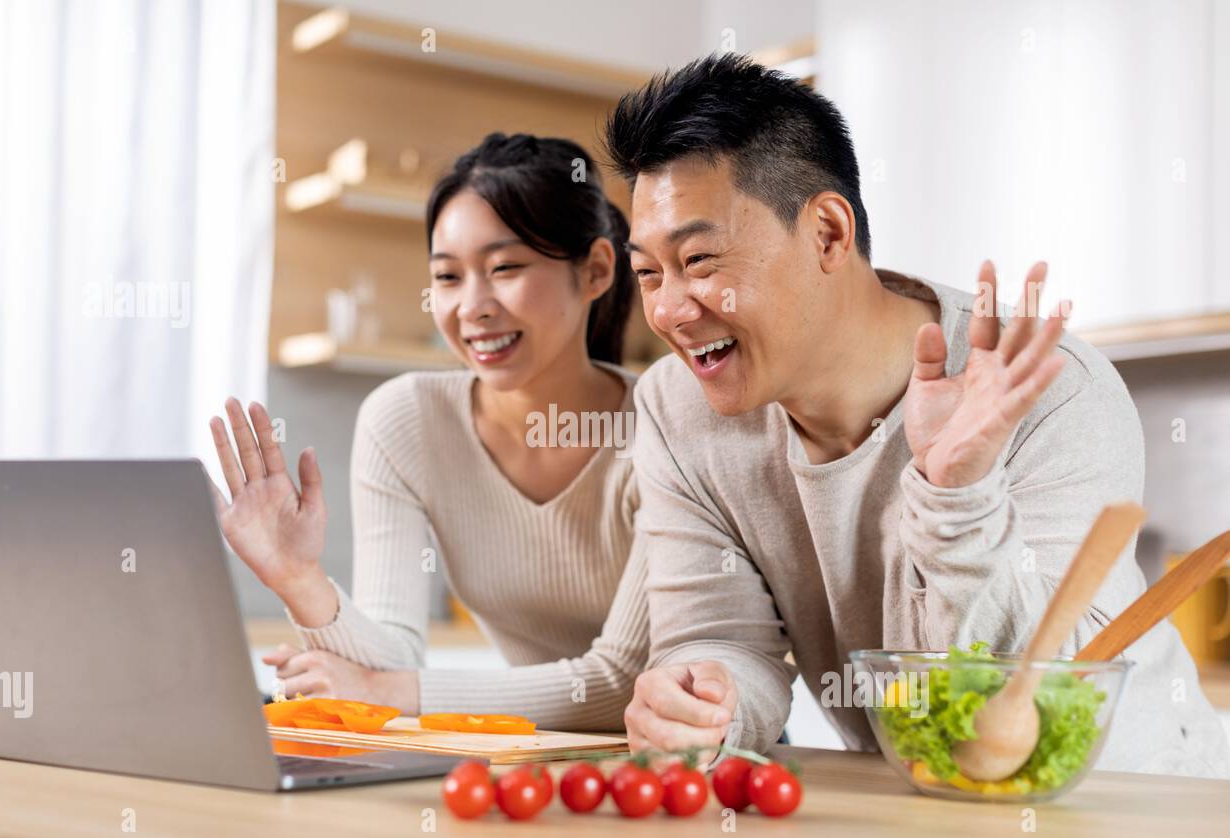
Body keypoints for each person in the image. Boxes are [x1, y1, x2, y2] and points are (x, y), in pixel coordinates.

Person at [606, 53, 1230, 776]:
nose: (667, 311)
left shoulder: (1046, 389)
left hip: (1139, 801)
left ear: (829, 234)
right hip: (930, 802)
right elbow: (724, 639)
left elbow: (1024, 696)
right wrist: (705, 695)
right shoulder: (675, 410)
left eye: (701, 261)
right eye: (648, 273)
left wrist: (958, 497)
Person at [208, 133, 648, 730]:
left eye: (506, 268)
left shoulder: (661, 430)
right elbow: (394, 655)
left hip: (702, 763)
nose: (473, 306)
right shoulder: (406, 420)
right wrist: (298, 578)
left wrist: (391, 691)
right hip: (552, 756)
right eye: (447, 277)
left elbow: (624, 683)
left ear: (596, 270)